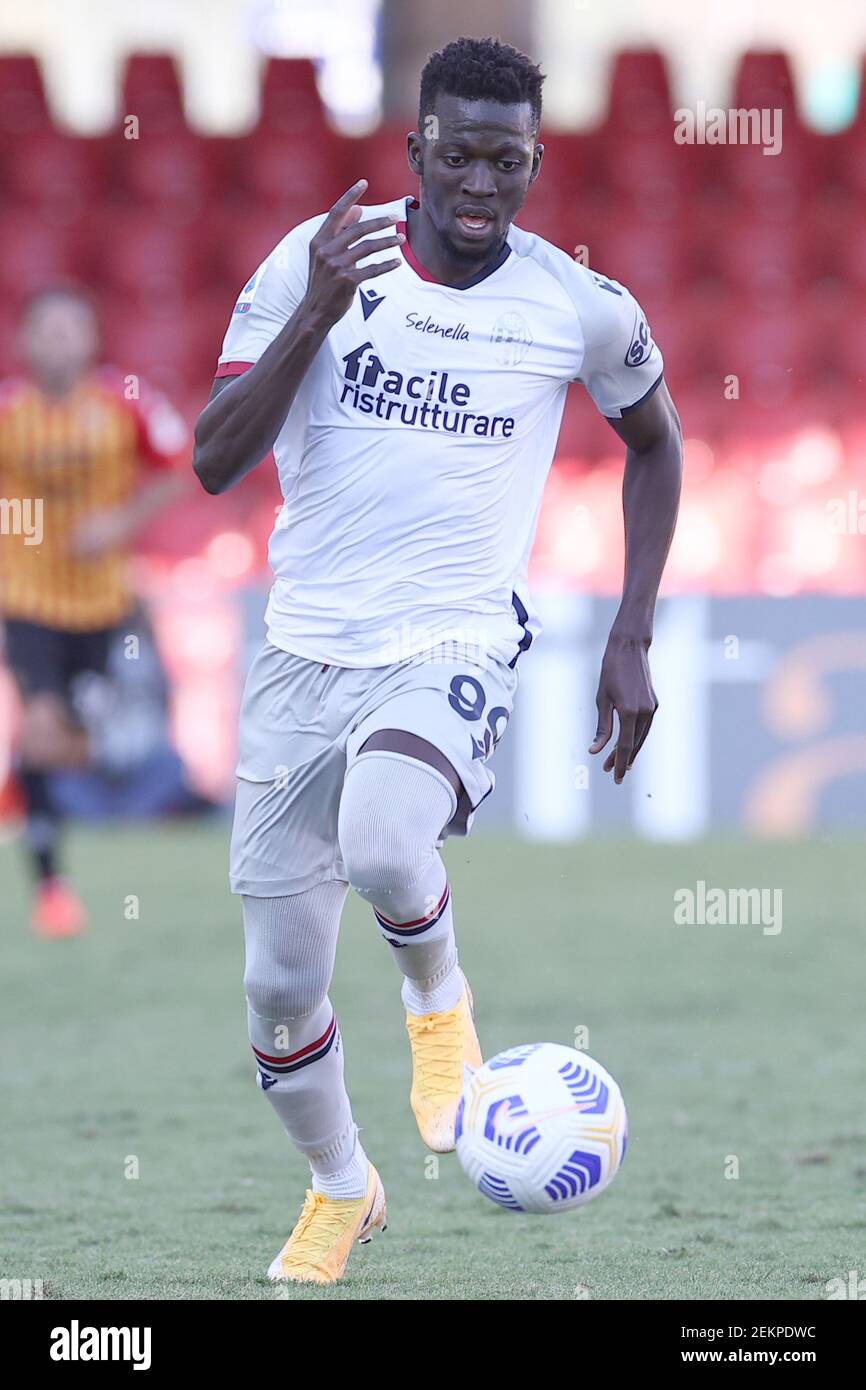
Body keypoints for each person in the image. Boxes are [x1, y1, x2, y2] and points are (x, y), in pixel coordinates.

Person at [193, 36, 682, 1284]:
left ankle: (436, 1001)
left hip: (451, 639)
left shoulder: (573, 302)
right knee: (277, 991)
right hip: (303, 656)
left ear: (533, 161)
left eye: (505, 160)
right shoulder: (316, 264)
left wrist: (628, 634)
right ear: (413, 151)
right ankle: (340, 1188)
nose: (480, 182)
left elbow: (655, 443)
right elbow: (213, 457)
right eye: (456, 154)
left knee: (385, 841)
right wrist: (316, 304)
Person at [0, 285, 188, 936]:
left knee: (69, 746)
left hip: (104, 606)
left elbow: (176, 468)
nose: (57, 343)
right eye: (44, 331)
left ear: (91, 339)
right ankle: (52, 889)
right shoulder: (8, 412)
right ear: (23, 341)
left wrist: (117, 524)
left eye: (69, 330)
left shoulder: (125, 402)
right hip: (25, 602)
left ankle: (49, 829)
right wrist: (25, 531)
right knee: (41, 725)